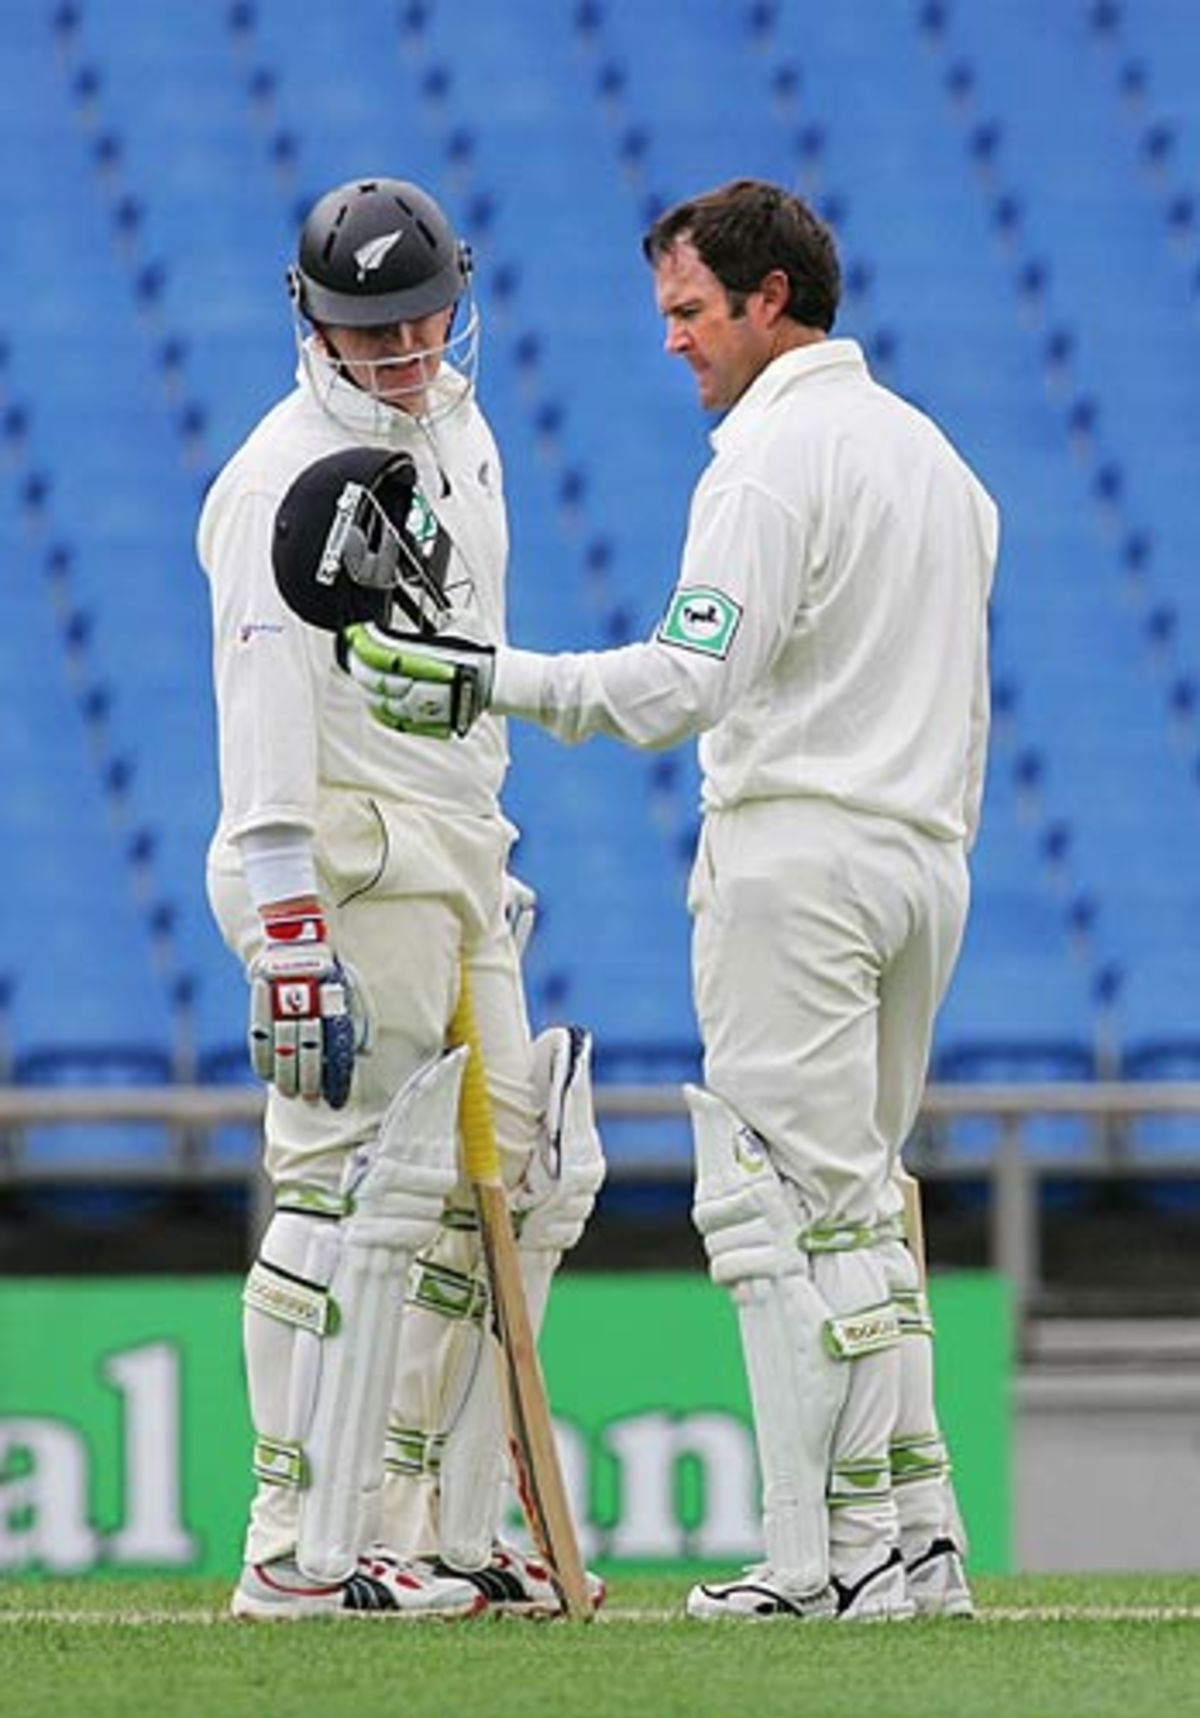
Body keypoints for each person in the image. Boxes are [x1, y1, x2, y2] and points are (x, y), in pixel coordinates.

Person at [341, 178, 999, 1621]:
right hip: (926, 860)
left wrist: (483, 673)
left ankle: (816, 1560)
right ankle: (917, 1532)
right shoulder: (938, 460)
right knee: (861, 1205)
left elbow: (677, 686)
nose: (674, 343)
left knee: (781, 1212)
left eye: (692, 312)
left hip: (799, 861)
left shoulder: (767, 463)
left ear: (772, 300)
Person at [197, 176, 604, 1620]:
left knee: (508, 1185)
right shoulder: (276, 476)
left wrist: (489, 848)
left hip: (459, 848)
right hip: (348, 850)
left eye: (423, 321)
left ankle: (431, 1522)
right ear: (309, 320)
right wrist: (285, 918)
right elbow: (262, 705)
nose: (404, 354)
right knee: (335, 1186)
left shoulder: (461, 427)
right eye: (371, 334)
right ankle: (290, 1535)